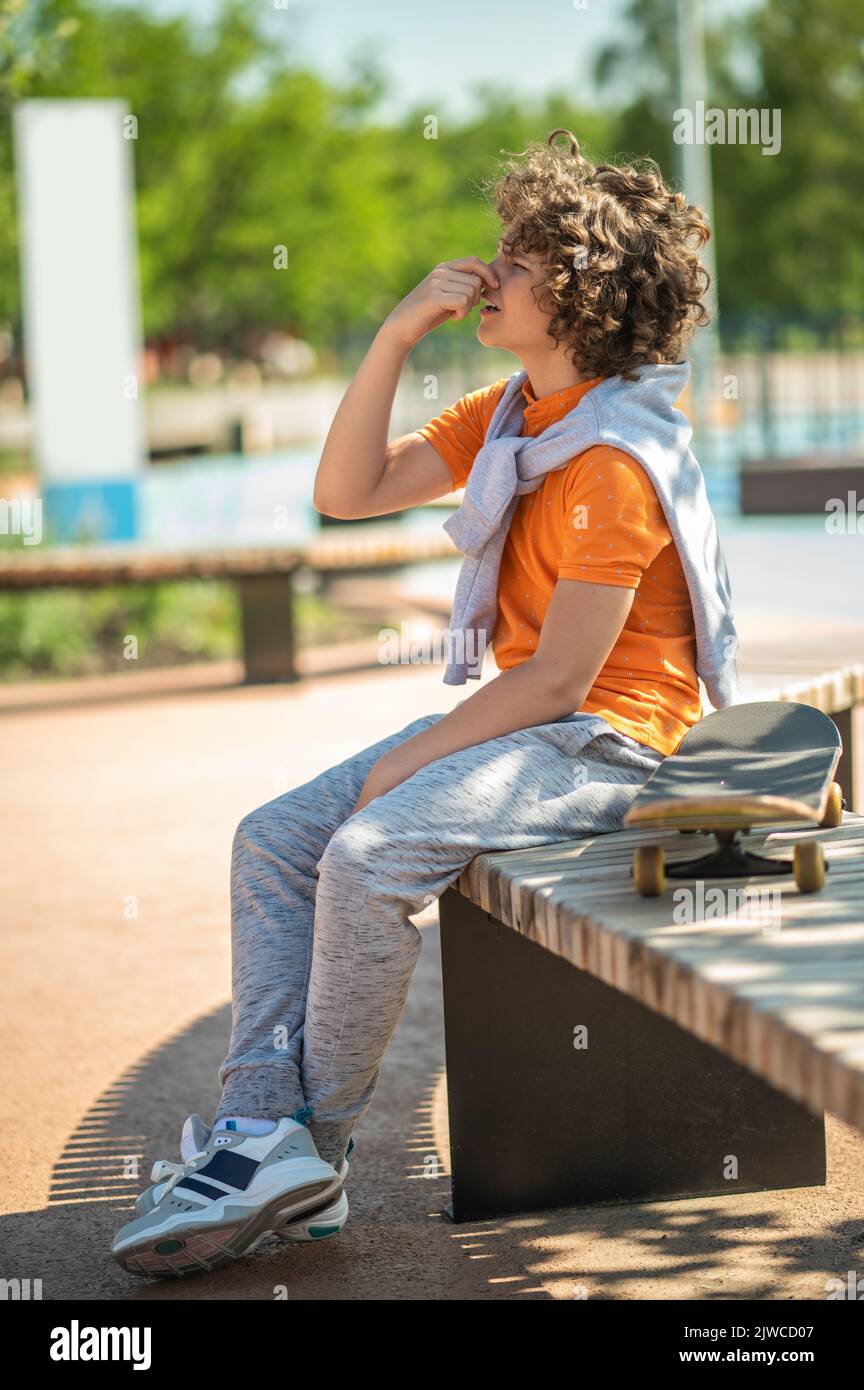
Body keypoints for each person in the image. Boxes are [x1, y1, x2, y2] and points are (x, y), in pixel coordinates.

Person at [111, 128, 738, 1278]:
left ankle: (311, 1155)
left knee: (367, 852)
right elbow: (344, 490)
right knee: (274, 839)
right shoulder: (515, 417)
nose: (487, 270)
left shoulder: (615, 457)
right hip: (533, 722)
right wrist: (397, 331)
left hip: (614, 741)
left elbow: (563, 677)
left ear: (584, 292)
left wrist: (415, 761)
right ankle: (260, 1130)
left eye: (518, 255)